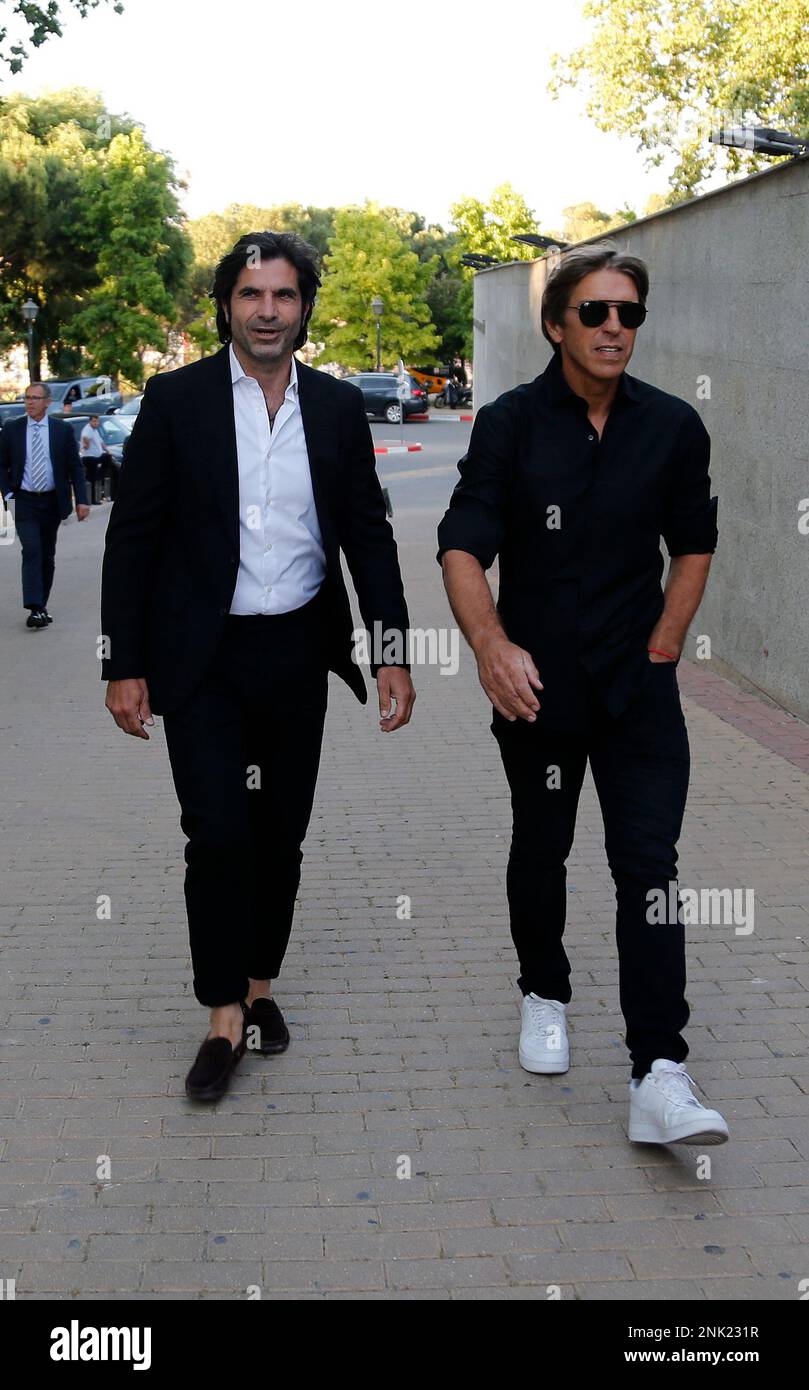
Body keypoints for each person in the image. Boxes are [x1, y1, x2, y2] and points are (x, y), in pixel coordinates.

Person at [101, 230, 416, 1104]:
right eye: (250, 295)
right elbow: (131, 542)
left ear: (303, 306)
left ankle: (261, 988)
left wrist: (389, 650)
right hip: (200, 659)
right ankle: (221, 1015)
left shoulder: (339, 407)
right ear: (227, 306)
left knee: (280, 835)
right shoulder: (176, 401)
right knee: (218, 834)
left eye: (282, 295)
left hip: (295, 654)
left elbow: (369, 536)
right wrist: (123, 664)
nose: (267, 311)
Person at [437, 240, 729, 1147]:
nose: (613, 328)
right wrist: (489, 644)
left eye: (628, 314)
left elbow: (693, 540)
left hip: (637, 686)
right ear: (556, 324)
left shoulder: (672, 426)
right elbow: (461, 543)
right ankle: (544, 993)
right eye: (595, 312)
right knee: (544, 846)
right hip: (538, 686)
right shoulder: (513, 423)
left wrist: (667, 641)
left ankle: (659, 1074)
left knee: (649, 867)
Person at [0, 382, 90, 629]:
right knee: (31, 549)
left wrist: (82, 499)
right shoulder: (12, 429)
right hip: (23, 500)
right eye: (27, 398)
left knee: (47, 555)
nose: (29, 402)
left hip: (51, 501)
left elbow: (75, 467)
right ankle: (34, 606)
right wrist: (8, 494)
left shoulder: (61, 430)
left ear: (48, 402)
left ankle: (41, 605)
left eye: (35, 398)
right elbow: (1, 464)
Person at [79, 413, 107, 504]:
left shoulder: (95, 430)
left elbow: (101, 443)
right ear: (90, 421)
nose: (96, 423)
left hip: (95, 457)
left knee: (107, 457)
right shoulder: (88, 429)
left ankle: (101, 477)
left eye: (97, 421)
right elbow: (85, 437)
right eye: (94, 421)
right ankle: (92, 499)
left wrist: (107, 451)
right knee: (91, 478)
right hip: (89, 457)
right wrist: (86, 445)